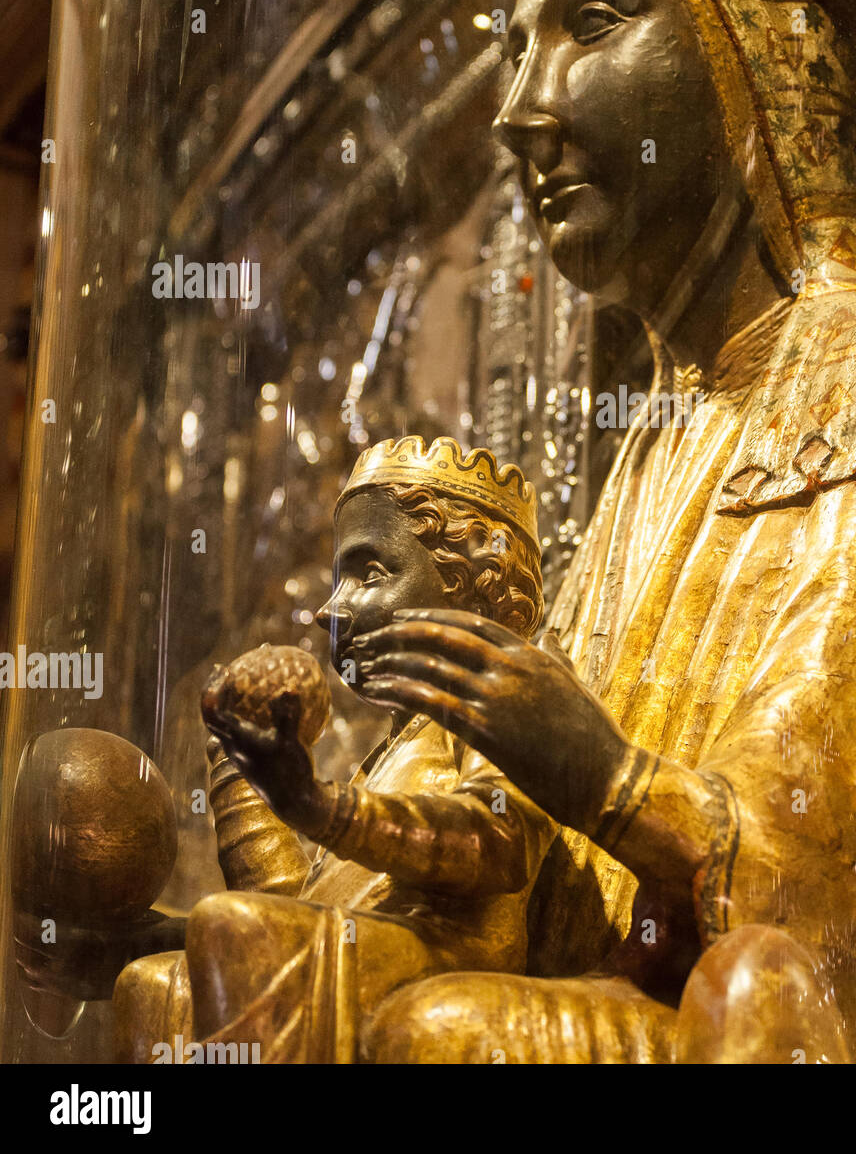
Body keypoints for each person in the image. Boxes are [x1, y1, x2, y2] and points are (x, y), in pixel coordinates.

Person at [353, 0, 856, 1063]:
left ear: (748, 54)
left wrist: (597, 771)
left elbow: (834, 862)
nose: (519, 113)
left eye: (590, 25)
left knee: (437, 1035)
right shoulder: (652, 442)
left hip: (761, 1016)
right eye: (512, 51)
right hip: (601, 987)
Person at [113, 437, 554, 1062]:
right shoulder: (395, 747)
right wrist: (240, 769)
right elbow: (289, 906)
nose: (327, 611)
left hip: (444, 956)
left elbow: (499, 844)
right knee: (154, 982)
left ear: (471, 586)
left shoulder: (505, 691)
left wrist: (318, 805)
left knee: (235, 931)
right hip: (364, 943)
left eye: (368, 573)